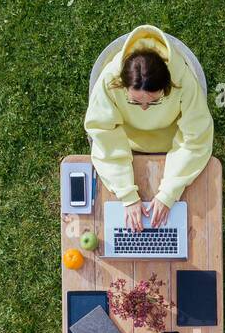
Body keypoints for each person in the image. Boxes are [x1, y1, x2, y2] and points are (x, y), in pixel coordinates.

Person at [85, 25, 214, 232]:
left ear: (168, 86)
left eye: (153, 102)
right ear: (121, 84)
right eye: (136, 102)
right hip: (124, 144)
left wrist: (168, 193)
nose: (144, 109)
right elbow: (104, 134)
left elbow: (196, 138)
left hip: (173, 145)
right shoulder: (109, 81)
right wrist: (127, 195)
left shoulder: (184, 82)